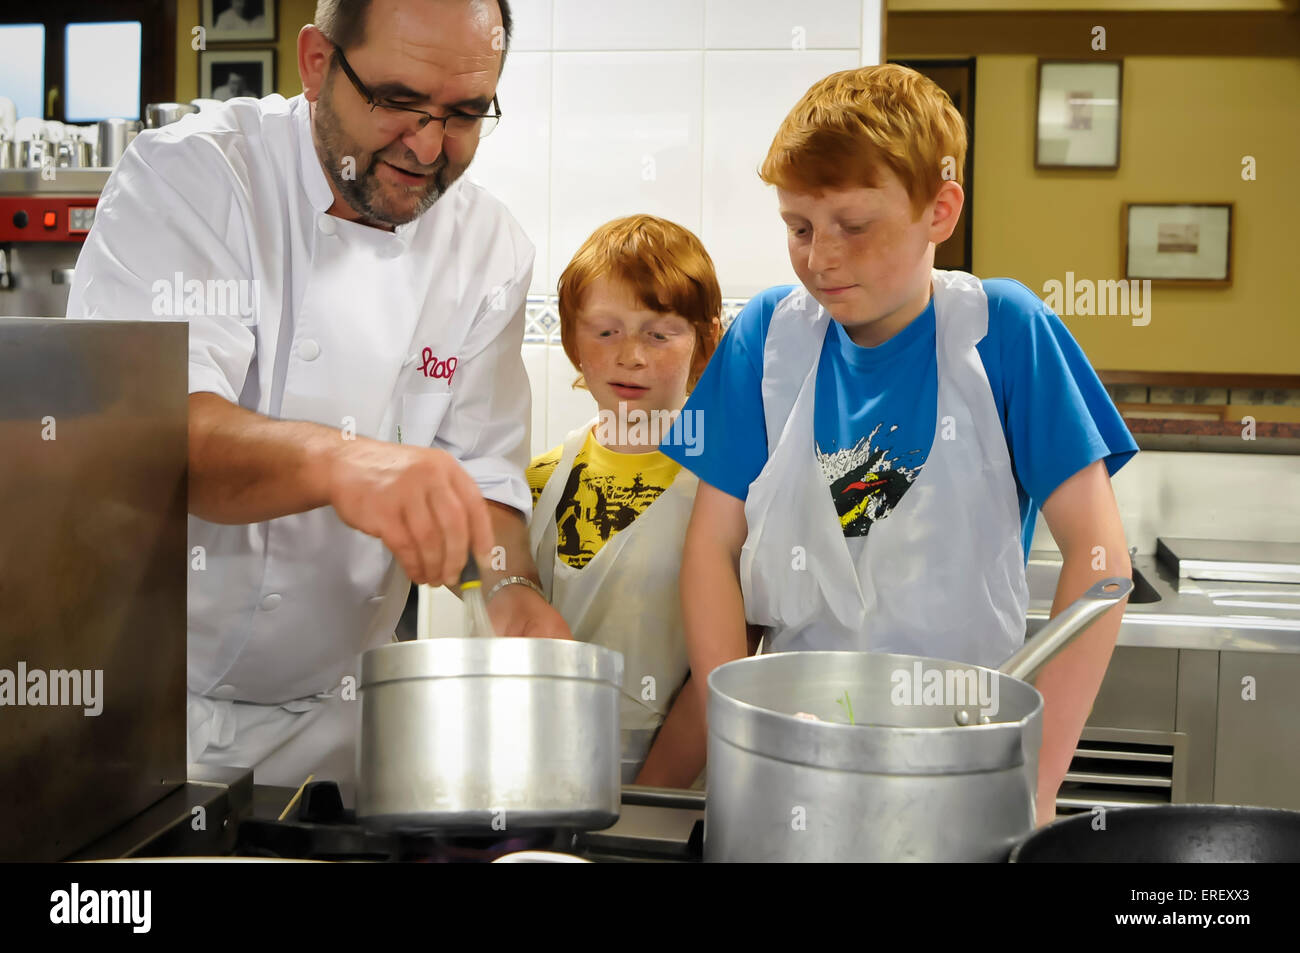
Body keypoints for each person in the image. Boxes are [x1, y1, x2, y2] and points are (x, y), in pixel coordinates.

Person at [67, 0, 567, 802]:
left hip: (330, 729)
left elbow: (484, 483)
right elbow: (153, 443)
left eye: (466, 113)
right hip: (134, 704)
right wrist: (347, 464)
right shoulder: (195, 176)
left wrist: (508, 593)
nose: (429, 146)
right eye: (398, 101)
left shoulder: (490, 249)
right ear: (315, 63)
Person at [664, 64, 1138, 824]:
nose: (820, 257)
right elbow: (712, 550)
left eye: (854, 226)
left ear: (939, 210)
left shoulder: (1005, 332)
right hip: (796, 759)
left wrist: (1031, 784)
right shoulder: (768, 338)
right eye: (799, 227)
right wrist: (743, 741)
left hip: (961, 762)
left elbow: (1101, 563)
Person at [528, 216, 720, 787]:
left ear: (706, 339)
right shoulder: (539, 478)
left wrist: (646, 804)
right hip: (535, 775)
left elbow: (720, 678)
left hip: (673, 785)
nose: (630, 356)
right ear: (571, 340)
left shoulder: (731, 486)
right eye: (605, 331)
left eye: (659, 334)